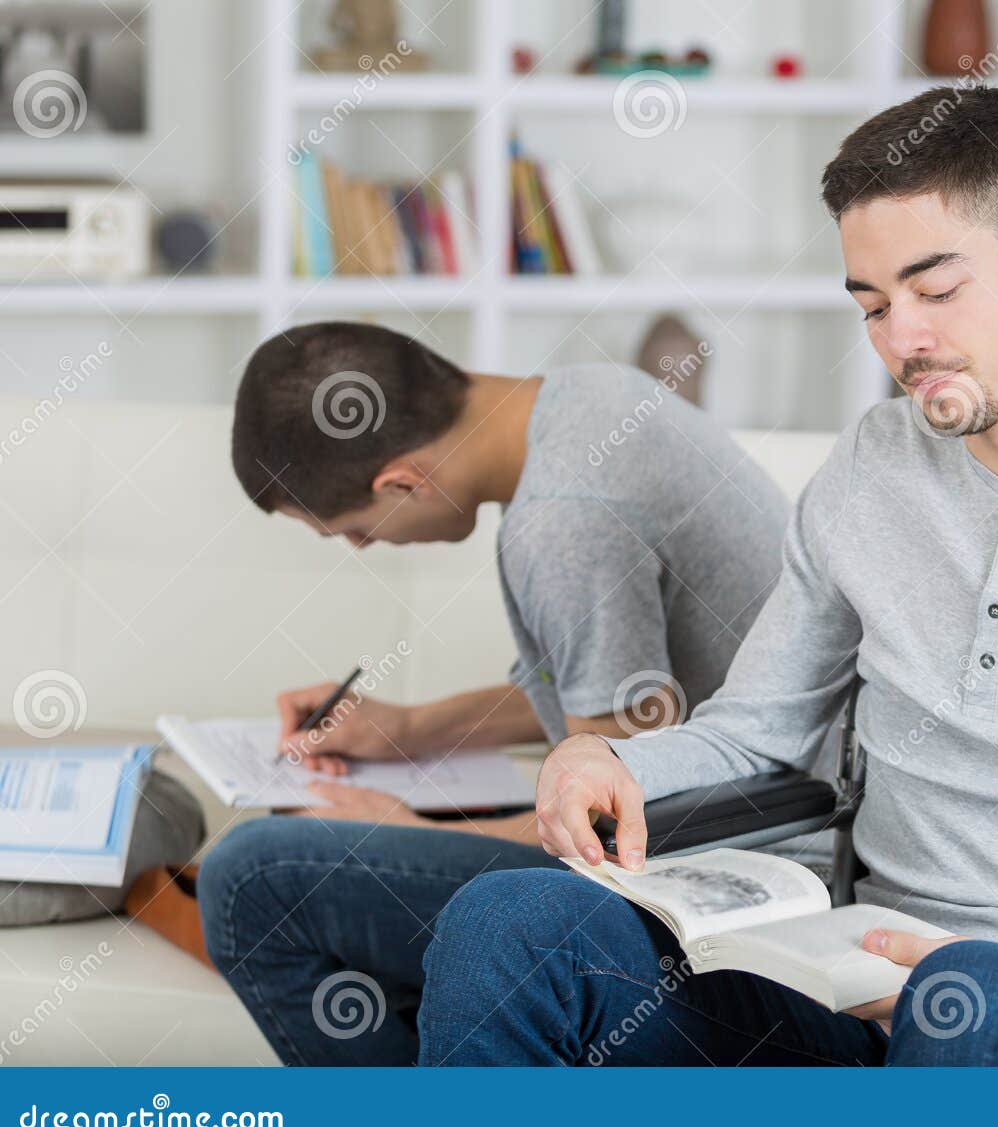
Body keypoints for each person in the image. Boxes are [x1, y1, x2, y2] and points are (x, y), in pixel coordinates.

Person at [414, 86, 998, 1067]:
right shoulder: (871, 468)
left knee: (970, 993)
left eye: (936, 291)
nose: (902, 340)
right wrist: (603, 761)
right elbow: (758, 727)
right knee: (510, 917)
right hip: (851, 1000)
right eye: (873, 304)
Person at [199, 322, 791, 1064]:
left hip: (734, 871)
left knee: (252, 879)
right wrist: (409, 728)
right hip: (744, 818)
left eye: (352, 530)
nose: (362, 548)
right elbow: (616, 696)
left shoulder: (560, 521)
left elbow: (609, 825)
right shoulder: (591, 396)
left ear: (403, 481)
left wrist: (412, 828)